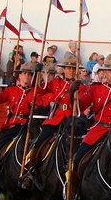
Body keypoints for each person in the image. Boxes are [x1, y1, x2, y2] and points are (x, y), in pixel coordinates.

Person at [65, 53, 111, 200]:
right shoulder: (95, 88)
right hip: (99, 130)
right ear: (104, 72)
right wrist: (72, 93)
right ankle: (75, 195)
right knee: (78, 159)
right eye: (110, 70)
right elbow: (81, 105)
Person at [19, 53, 81, 188]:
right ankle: (31, 170)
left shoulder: (80, 86)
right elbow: (40, 90)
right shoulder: (56, 82)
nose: (71, 71)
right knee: (39, 140)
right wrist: (37, 74)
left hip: (71, 119)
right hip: (56, 118)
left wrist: (72, 92)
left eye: (73, 68)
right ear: (64, 69)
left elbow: (81, 104)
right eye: (68, 68)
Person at [0, 61, 37, 194]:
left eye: (29, 75)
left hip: (27, 126)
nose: (27, 77)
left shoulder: (34, 92)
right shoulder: (11, 90)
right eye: (25, 74)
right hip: (12, 126)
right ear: (19, 76)